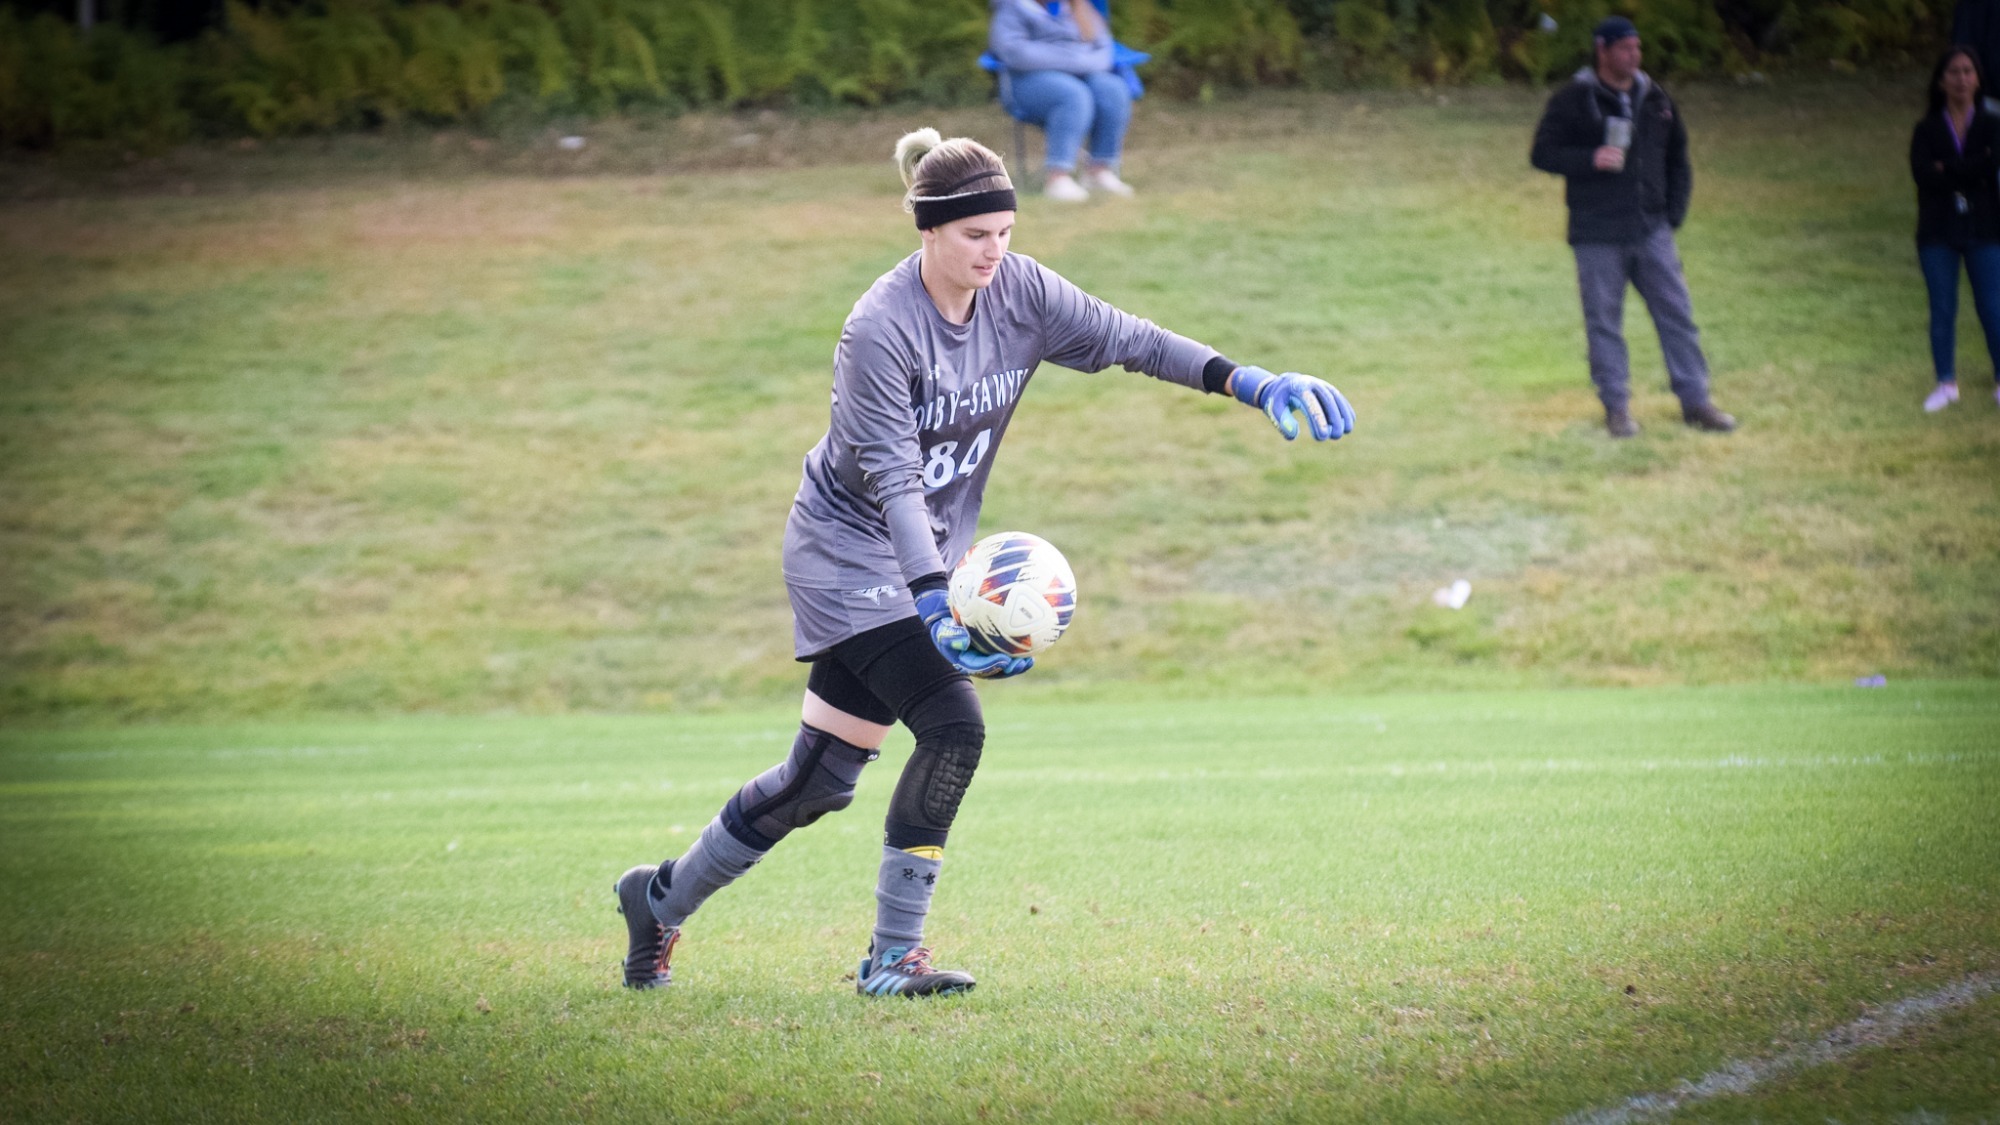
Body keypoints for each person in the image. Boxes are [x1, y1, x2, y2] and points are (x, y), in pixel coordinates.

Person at [615, 128, 1355, 998]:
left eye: (1004, 232)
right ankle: (894, 957)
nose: (994, 252)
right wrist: (933, 599)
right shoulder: (878, 330)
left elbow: (1133, 339)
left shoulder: (1022, 289)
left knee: (818, 781)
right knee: (956, 727)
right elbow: (892, 479)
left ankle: (656, 900)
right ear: (928, 231)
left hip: (926, 560)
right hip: (849, 551)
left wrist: (1252, 380)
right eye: (976, 236)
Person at [1529, 16, 1736, 438]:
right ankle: (1617, 410)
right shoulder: (1574, 99)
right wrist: (1590, 159)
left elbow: (1679, 158)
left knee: (1677, 315)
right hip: (1597, 233)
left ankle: (1697, 401)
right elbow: (1543, 153)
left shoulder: (1655, 98)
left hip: (1651, 229)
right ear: (1602, 51)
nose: (1634, 55)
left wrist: (1671, 214)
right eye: (1625, 48)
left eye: (1637, 48)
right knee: (1604, 322)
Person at [1911, 46, 2000, 413]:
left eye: (1968, 72)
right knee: (1943, 307)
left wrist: (1948, 168)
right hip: (1938, 230)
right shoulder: (1927, 128)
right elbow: (1923, 175)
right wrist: (1970, 167)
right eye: (1954, 72)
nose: (1961, 79)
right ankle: (1946, 383)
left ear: (1978, 78)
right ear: (1941, 80)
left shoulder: (1992, 124)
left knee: (1993, 307)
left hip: (1985, 226)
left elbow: (1990, 166)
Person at [989, 0, 1135, 202]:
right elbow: (1015, 52)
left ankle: (1098, 171)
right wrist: (1073, 60)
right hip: (1028, 82)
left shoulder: (1080, 6)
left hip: (1081, 74)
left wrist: (1078, 62)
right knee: (1073, 94)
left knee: (1113, 89)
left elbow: (1105, 50)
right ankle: (1058, 178)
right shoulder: (1013, 7)